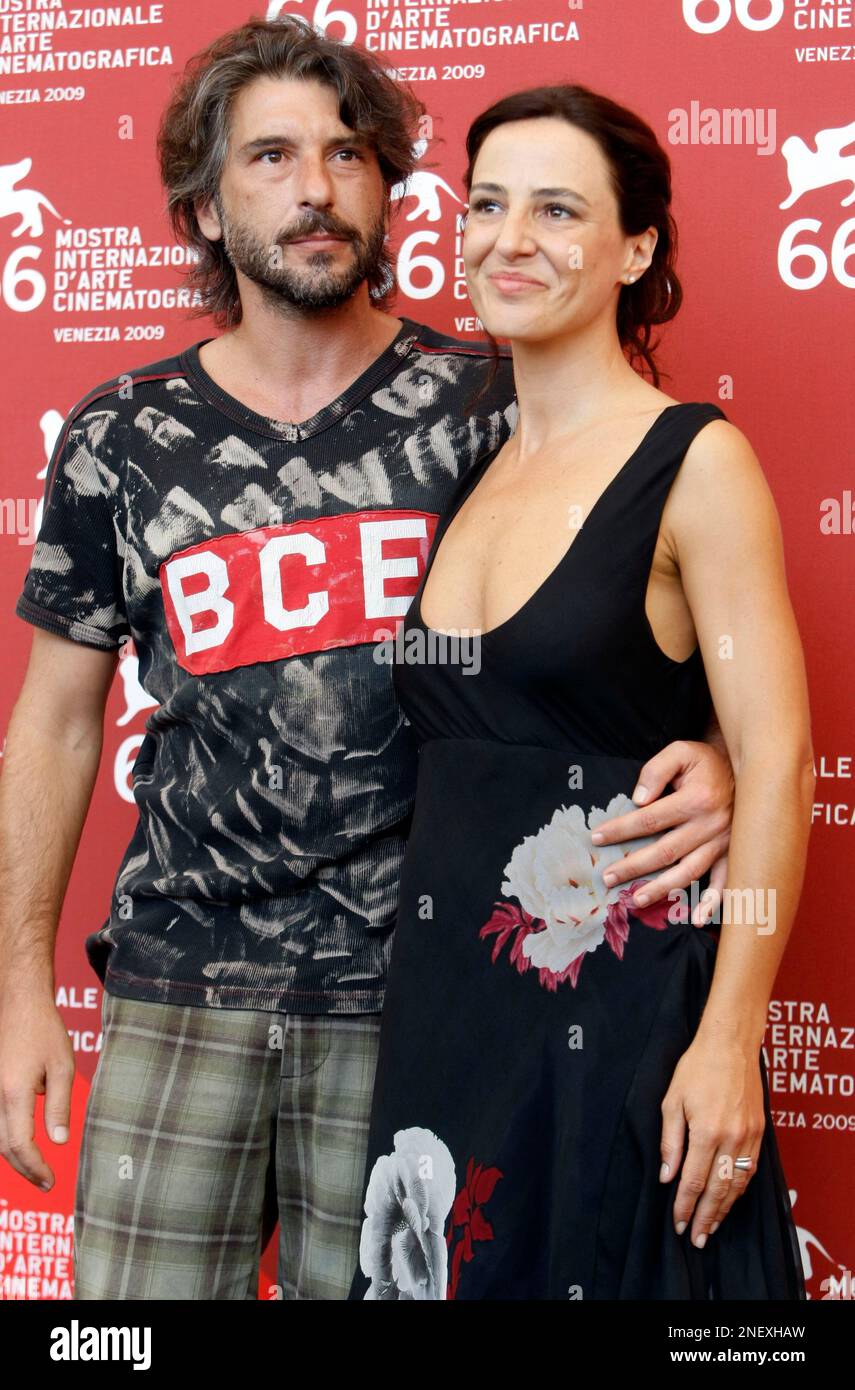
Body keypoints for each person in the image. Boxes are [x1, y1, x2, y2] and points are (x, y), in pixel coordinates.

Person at [0, 22, 734, 1301]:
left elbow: (619, 617)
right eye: (271, 156)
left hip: (418, 996)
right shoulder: (123, 433)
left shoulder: (491, 408)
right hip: (183, 979)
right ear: (204, 203)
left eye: (348, 154)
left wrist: (713, 757)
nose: (315, 188)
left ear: (393, 187)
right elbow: (56, 726)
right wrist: (16, 992)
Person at [347, 84, 813, 1301]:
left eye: (559, 211)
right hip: (446, 1031)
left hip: (623, 1027)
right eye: (487, 204)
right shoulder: (467, 466)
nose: (511, 239)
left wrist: (731, 1040)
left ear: (636, 247)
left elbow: (778, 762)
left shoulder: (696, 462)